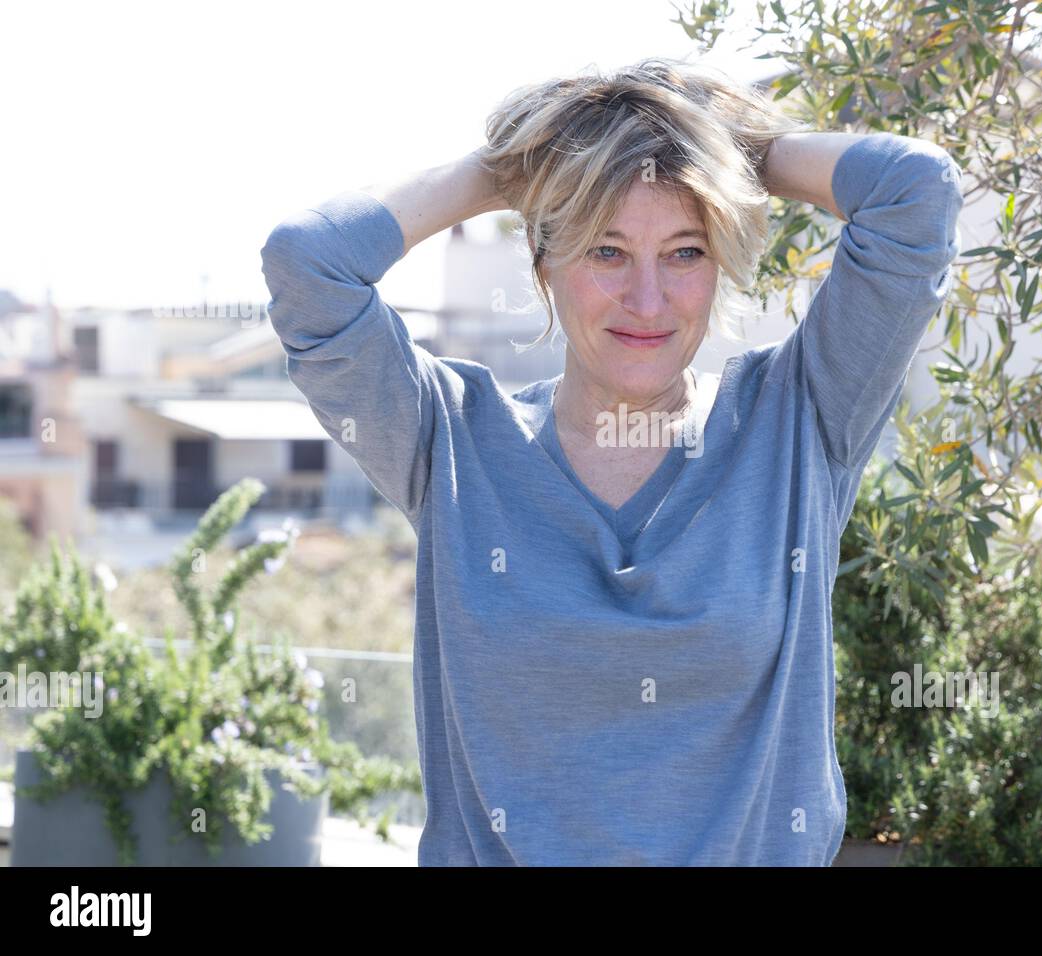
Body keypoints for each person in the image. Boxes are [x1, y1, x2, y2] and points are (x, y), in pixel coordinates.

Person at [259, 56, 962, 866]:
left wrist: (723, 142)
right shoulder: (448, 441)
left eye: (686, 252)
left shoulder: (801, 419)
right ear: (543, 261)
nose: (649, 299)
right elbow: (306, 260)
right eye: (605, 250)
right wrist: (510, 168)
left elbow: (918, 192)